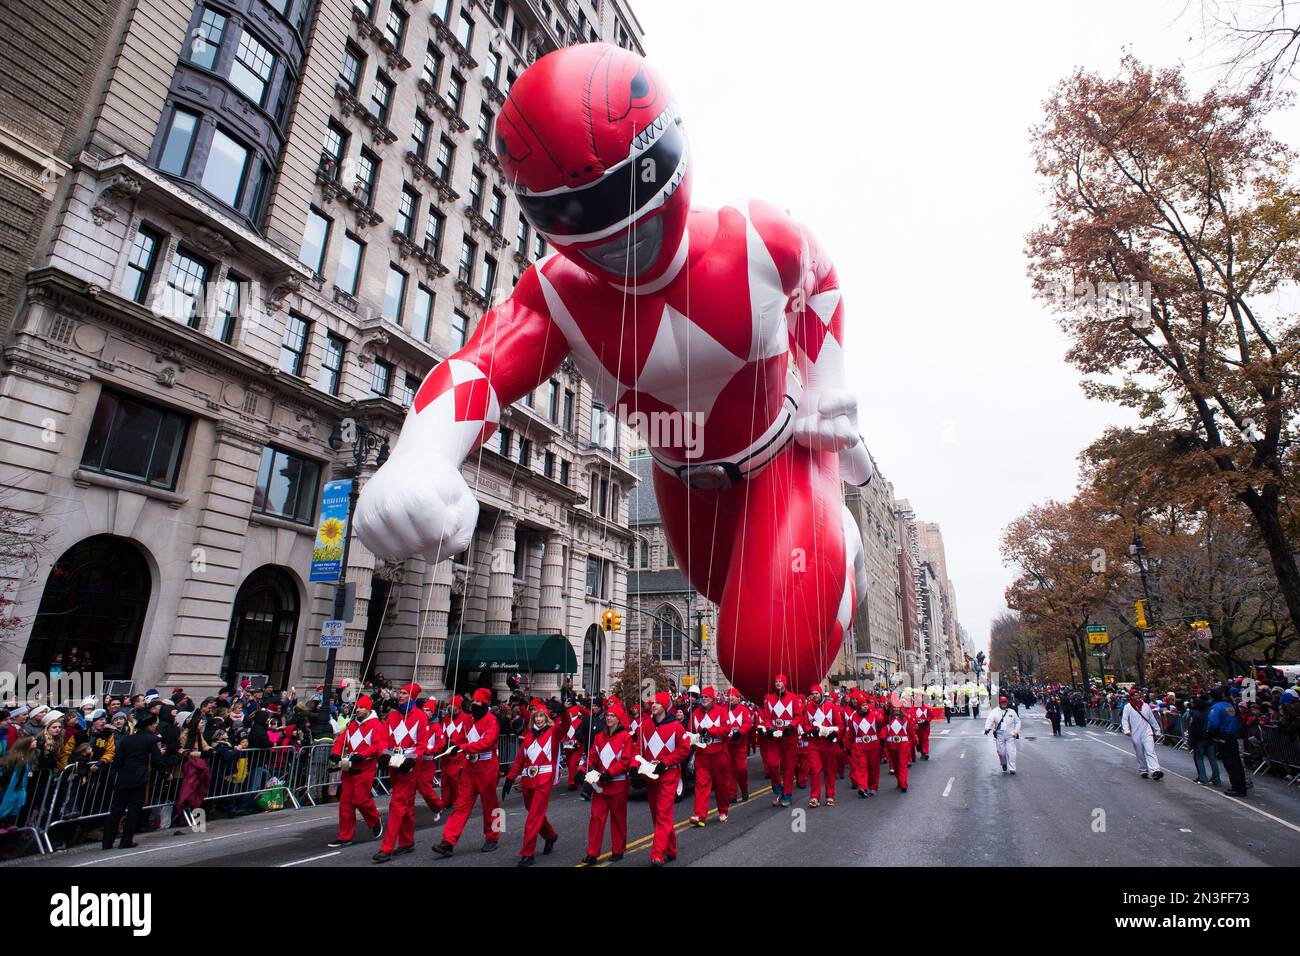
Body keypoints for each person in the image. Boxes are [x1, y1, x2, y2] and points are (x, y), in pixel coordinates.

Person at [433, 687, 501, 857]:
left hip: (487, 767)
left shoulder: (492, 721)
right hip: (470, 768)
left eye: (479, 702)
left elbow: (486, 742)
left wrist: (462, 747)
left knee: (491, 804)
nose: (475, 704)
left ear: (485, 704)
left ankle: (493, 836)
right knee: (461, 805)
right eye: (474, 701)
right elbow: (461, 738)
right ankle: (448, 841)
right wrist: (453, 745)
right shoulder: (468, 721)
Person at [633, 691, 691, 867]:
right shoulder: (645, 726)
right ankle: (671, 849)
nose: (654, 705)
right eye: (653, 703)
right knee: (658, 815)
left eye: (658, 703)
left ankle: (657, 854)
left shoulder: (676, 726)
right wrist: (635, 766)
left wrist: (666, 762)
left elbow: (684, 749)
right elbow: (637, 748)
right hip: (651, 775)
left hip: (669, 774)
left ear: (665, 706)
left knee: (663, 815)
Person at [502, 699, 561, 866]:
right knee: (534, 813)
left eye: (542, 716)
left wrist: (562, 711)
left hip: (544, 781)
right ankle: (550, 835)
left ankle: (528, 853)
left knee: (533, 817)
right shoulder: (528, 737)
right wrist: (509, 778)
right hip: (528, 781)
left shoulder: (553, 733)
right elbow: (520, 760)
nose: (539, 719)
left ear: (547, 717)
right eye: (536, 716)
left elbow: (564, 725)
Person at [374, 683, 428, 862]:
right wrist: (382, 754)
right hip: (393, 764)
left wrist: (412, 759)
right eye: (400, 693)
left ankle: (387, 847)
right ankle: (407, 841)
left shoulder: (420, 717)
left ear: (412, 696)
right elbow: (383, 737)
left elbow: (422, 744)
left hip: (409, 767)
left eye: (404, 693)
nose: (400, 696)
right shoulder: (392, 716)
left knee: (397, 804)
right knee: (406, 804)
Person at [327, 695, 387, 848]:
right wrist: (335, 752)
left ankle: (374, 820)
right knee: (345, 804)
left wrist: (363, 755)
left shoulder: (377, 725)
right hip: (349, 768)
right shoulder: (352, 725)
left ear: (368, 709)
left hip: (365, 768)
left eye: (361, 708)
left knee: (361, 799)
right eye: (357, 707)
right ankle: (345, 836)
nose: (358, 710)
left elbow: (377, 745)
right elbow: (342, 740)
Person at [102, 713, 165, 851]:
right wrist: (165, 772)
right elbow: (157, 760)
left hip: (124, 778)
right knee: (133, 811)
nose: (155, 726)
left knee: (116, 810)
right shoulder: (151, 740)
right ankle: (126, 840)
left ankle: (107, 842)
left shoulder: (126, 739)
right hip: (139, 779)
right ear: (149, 726)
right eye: (154, 724)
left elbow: (118, 762)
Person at [581, 703, 634, 864]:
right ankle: (592, 852)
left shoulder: (626, 737)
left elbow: (625, 761)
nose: (609, 718)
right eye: (608, 716)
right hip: (600, 786)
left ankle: (618, 849)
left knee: (618, 819)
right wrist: (583, 769)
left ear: (618, 719)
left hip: (617, 784)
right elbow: (592, 757)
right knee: (596, 818)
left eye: (613, 716)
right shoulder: (599, 737)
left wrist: (610, 773)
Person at [687, 686, 733, 826]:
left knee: (721, 785)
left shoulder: (721, 711)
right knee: (701, 784)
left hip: (719, 753)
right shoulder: (695, 714)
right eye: (703, 697)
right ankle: (699, 815)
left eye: (707, 697)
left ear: (713, 699)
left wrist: (711, 731)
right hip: (702, 754)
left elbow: (726, 729)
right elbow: (690, 731)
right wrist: (692, 740)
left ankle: (723, 810)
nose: (704, 699)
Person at [758, 674, 802, 808]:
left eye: (780, 681)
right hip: (774, 737)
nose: (777, 683)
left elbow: (798, 715)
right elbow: (766, 717)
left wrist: (791, 726)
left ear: (785, 683)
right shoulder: (770, 699)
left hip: (789, 736)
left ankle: (787, 794)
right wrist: (768, 727)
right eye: (776, 681)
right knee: (772, 763)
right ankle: (777, 786)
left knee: (789, 766)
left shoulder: (793, 698)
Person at [801, 684, 842, 807]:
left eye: (816, 693)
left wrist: (834, 734)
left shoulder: (831, 706)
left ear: (821, 694)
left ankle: (830, 795)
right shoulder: (807, 708)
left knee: (830, 770)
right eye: (812, 694)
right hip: (814, 744)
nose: (814, 696)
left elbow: (840, 725)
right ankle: (814, 797)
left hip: (828, 744)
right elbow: (805, 725)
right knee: (815, 770)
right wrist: (810, 731)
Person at [1206, 686, 1248, 797]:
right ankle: (1241, 787)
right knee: (1237, 762)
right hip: (1232, 736)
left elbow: (1213, 723)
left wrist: (1210, 732)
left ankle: (1236, 788)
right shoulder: (1230, 706)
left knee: (1230, 763)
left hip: (1223, 736)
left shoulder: (1216, 707)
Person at [1120, 690, 1163, 780]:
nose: (1138, 697)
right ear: (1131, 697)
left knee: (1150, 751)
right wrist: (1126, 730)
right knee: (1140, 753)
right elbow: (1124, 719)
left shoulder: (1146, 706)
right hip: (1135, 733)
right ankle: (1143, 769)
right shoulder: (1128, 707)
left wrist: (1157, 730)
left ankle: (1155, 770)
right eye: (1135, 695)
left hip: (1147, 732)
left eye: (1138, 695)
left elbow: (1152, 719)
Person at [847, 692, 883, 798]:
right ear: (859, 707)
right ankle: (863, 787)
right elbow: (851, 734)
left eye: (866, 705)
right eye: (863, 705)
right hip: (859, 746)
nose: (865, 707)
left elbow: (881, 723)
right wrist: (848, 745)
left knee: (873, 767)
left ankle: (873, 786)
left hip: (873, 746)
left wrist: (885, 711)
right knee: (861, 767)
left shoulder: (874, 714)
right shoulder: (853, 718)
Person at [880, 698, 917, 792]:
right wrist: (882, 739)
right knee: (896, 766)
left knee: (902, 765)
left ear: (900, 708)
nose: (896, 709)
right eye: (894, 708)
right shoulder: (888, 720)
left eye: (898, 707)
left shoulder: (905, 719)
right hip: (892, 746)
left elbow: (911, 732)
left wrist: (916, 742)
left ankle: (903, 784)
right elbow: (884, 729)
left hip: (903, 746)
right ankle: (900, 781)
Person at [723, 688, 752, 802]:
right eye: (728, 696)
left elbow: (747, 723)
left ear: (737, 698)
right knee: (729, 770)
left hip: (740, 744)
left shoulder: (743, 710)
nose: (730, 698)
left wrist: (740, 732)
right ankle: (732, 794)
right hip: (728, 745)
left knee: (741, 769)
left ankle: (744, 789)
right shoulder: (723, 710)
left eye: (732, 696)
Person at [984, 695, 1020, 775]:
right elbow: (989, 720)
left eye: (1005, 702)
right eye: (1002, 702)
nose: (1004, 704)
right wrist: (987, 728)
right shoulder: (994, 711)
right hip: (1000, 734)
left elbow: (1018, 722)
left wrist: (1016, 731)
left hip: (1010, 734)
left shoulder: (1012, 711)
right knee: (1001, 752)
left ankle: (1012, 768)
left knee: (1011, 752)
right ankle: (1003, 763)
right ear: (1000, 703)